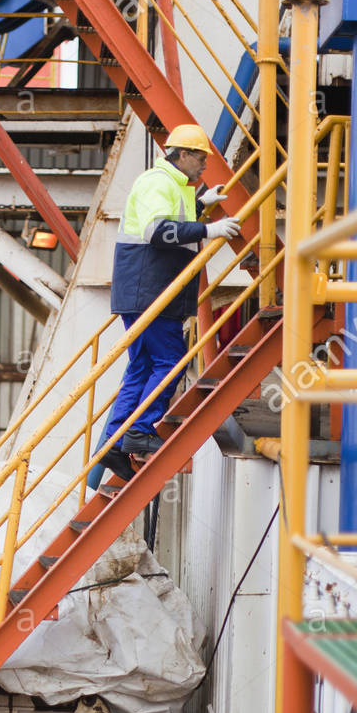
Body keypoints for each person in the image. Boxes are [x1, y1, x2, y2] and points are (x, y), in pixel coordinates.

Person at [90, 124, 240, 485]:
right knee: (170, 362)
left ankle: (113, 443)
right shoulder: (159, 182)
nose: (205, 166)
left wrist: (204, 204)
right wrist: (210, 230)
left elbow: (174, 221)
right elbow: (159, 232)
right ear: (183, 155)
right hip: (151, 292)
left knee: (141, 368)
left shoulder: (175, 186)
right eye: (201, 158)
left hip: (145, 291)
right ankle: (139, 429)